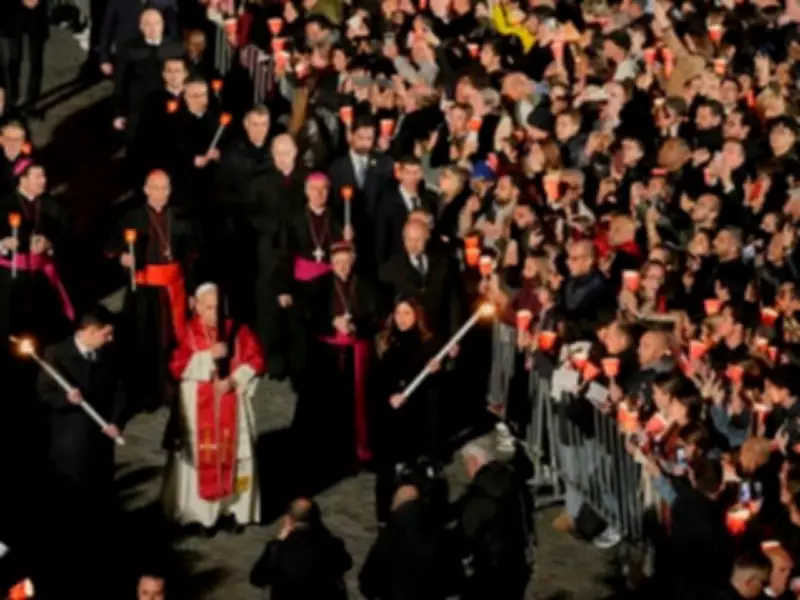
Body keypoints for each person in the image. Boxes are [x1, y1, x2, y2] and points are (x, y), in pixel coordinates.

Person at [36, 307, 126, 597]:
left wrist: (115, 420)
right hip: (69, 443)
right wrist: (66, 398)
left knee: (99, 493)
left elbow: (119, 390)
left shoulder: (108, 355)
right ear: (89, 331)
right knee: (70, 497)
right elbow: (43, 393)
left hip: (100, 440)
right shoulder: (56, 355)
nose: (110, 339)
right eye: (106, 333)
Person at [163, 283, 266, 533]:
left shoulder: (238, 330)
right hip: (198, 407)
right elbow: (176, 366)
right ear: (197, 306)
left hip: (233, 403)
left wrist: (233, 380)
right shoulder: (188, 332)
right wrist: (208, 355)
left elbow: (257, 360)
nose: (213, 313)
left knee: (237, 458)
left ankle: (235, 510)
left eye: (217, 308)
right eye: (207, 308)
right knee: (201, 459)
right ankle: (201, 515)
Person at [107, 170, 200, 413]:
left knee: (170, 341)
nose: (160, 193)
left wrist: (191, 292)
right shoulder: (132, 217)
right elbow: (113, 248)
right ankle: (144, 394)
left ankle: (170, 391)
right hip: (144, 290)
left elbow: (190, 259)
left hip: (173, 290)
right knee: (143, 340)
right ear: (146, 189)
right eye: (155, 188)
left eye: (165, 188)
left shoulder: (180, 217)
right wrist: (122, 258)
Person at [295, 241, 380, 482]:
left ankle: (359, 453)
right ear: (331, 264)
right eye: (338, 262)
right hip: (328, 355)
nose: (342, 267)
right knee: (331, 405)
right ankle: (333, 456)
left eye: (346, 262)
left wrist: (355, 326)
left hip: (358, 353)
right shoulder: (319, 286)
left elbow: (376, 317)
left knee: (360, 406)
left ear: (353, 261)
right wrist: (332, 321)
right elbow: (307, 317)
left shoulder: (364, 284)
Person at [370, 297, 441, 524]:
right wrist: (388, 397)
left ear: (417, 316)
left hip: (415, 416)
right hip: (389, 415)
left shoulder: (427, 344)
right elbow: (375, 379)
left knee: (414, 469)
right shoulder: (385, 341)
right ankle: (384, 516)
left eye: (407, 313)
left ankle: (414, 514)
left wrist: (435, 371)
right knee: (386, 470)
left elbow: (434, 388)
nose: (402, 318)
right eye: (399, 313)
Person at [0, 159, 74, 351]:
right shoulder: (3, 204)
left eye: (44, 176)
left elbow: (66, 235)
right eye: (38, 177)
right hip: (8, 277)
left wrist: (49, 243)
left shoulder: (54, 206)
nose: (44, 180)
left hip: (41, 279)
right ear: (22, 180)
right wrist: (3, 243)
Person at [458, 434, 534, 600]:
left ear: (474, 462)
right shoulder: (514, 485)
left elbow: (468, 538)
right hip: (516, 565)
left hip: (488, 571)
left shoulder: (478, 499)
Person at [359, 484, 464, 600]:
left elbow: (368, 581)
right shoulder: (439, 533)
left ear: (396, 504)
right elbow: (456, 580)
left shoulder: (390, 534)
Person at [249, 498, 352, 600]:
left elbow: (257, 579)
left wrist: (279, 540)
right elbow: (347, 564)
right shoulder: (333, 545)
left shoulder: (276, 550)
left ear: (288, 520)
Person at [0, 0, 48, 110]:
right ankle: (10, 100)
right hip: (13, 9)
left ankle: (31, 102)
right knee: (13, 59)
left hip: (37, 10)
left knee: (35, 60)